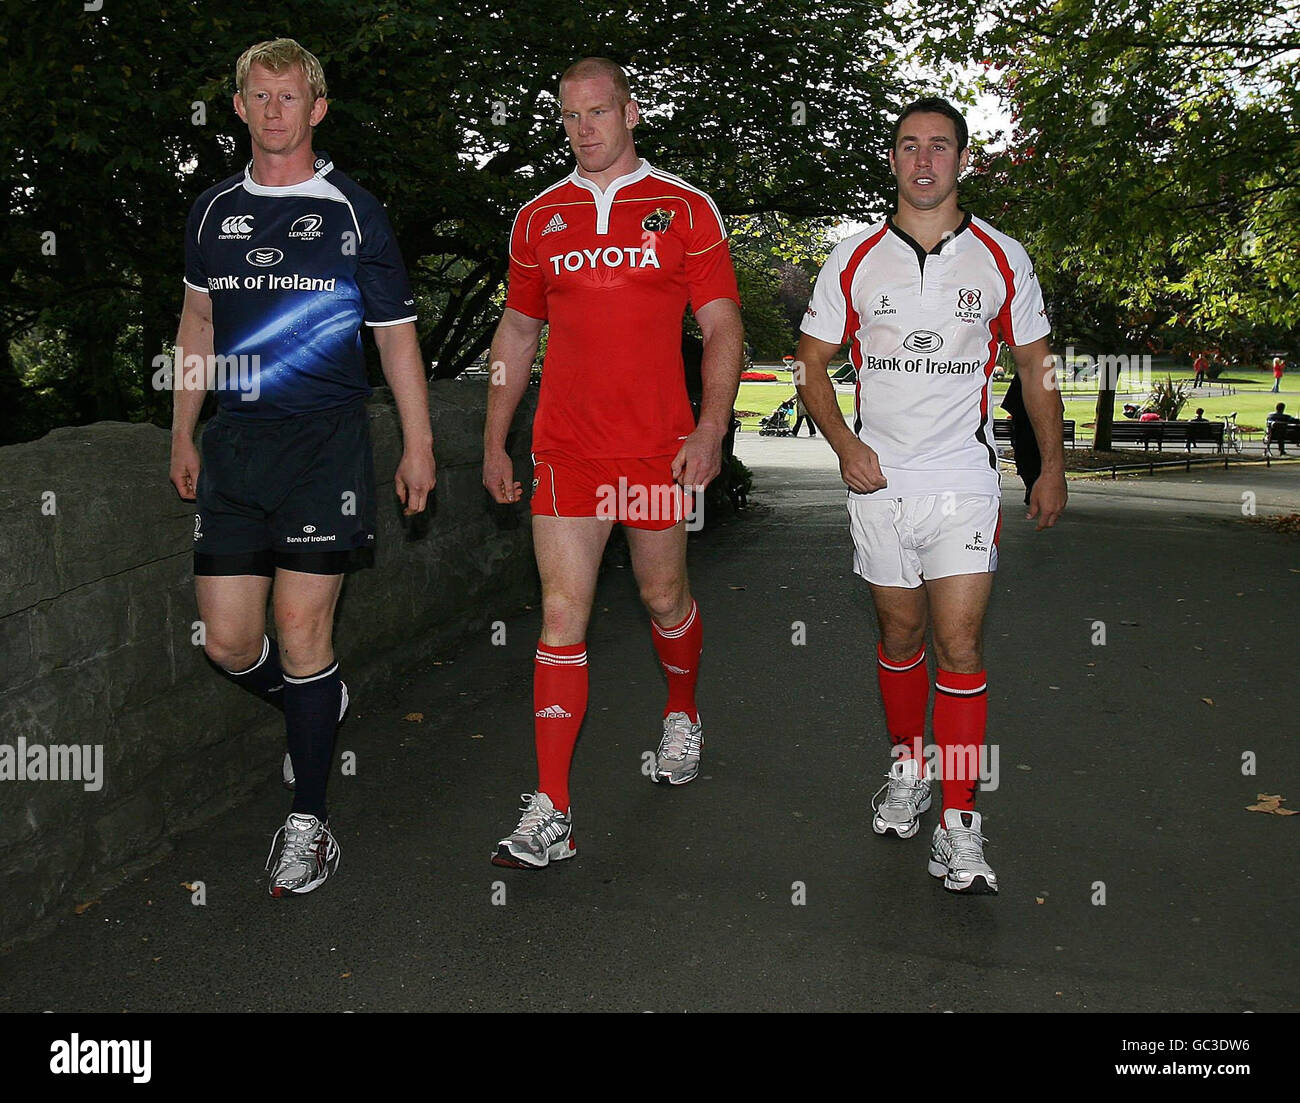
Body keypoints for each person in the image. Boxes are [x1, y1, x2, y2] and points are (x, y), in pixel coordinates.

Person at [168, 39, 435, 897]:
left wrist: (419, 442)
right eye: (259, 96)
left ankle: (309, 821)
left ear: (317, 109)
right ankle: (314, 704)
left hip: (327, 445)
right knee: (229, 640)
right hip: (236, 447)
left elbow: (396, 335)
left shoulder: (354, 211)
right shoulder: (212, 213)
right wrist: (183, 431)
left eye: (290, 96)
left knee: (302, 628)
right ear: (239, 107)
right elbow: (197, 325)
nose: (274, 110)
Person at [794, 97, 1066, 895]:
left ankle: (958, 817)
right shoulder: (852, 257)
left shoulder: (1002, 256)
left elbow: (1034, 368)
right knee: (900, 632)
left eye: (939, 147)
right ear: (892, 159)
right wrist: (848, 448)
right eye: (909, 146)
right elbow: (810, 362)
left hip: (962, 480)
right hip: (879, 484)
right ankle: (907, 762)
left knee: (961, 645)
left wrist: (1049, 466)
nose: (924, 161)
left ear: (962, 159)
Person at [482, 58, 743, 869]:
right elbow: (517, 335)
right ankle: (552, 807)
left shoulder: (685, 209)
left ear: (630, 112)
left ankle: (683, 710)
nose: (584, 127)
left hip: (656, 452)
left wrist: (711, 428)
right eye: (570, 115)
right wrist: (493, 437)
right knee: (563, 616)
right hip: (565, 452)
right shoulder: (538, 218)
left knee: (664, 596)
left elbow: (724, 325)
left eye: (598, 112)